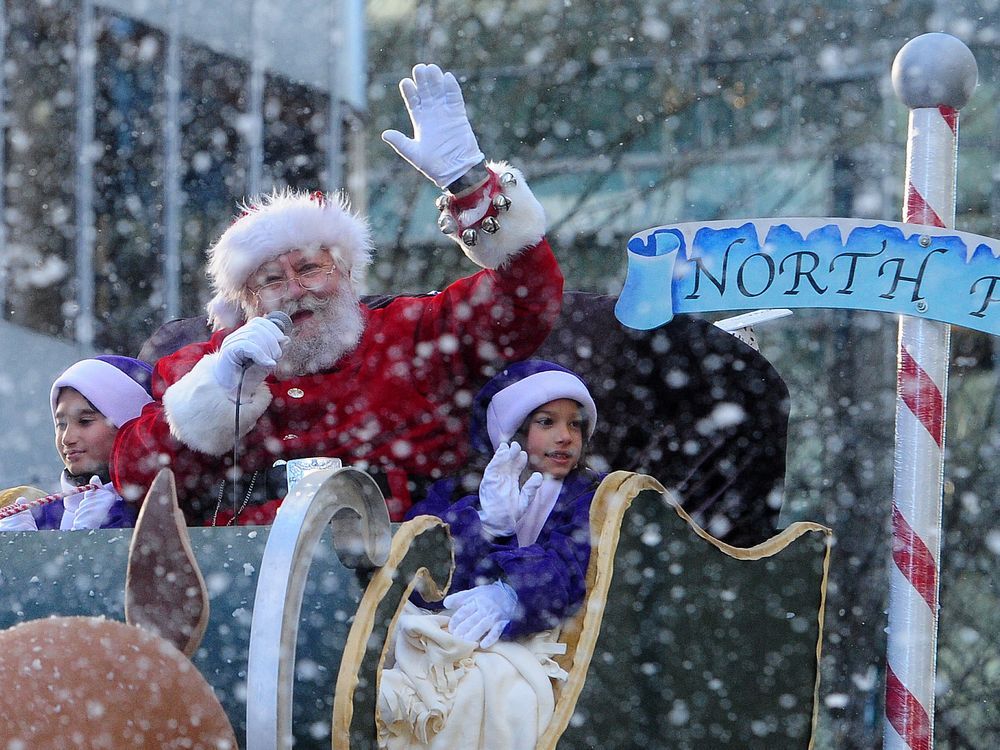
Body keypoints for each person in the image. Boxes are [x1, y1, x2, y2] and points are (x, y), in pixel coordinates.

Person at [110, 64, 563, 525]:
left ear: (346, 273)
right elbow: (134, 477)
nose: (295, 291)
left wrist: (470, 184)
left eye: (310, 268)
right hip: (246, 561)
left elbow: (525, 305)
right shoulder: (204, 363)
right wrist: (218, 392)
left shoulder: (410, 334)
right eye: (272, 281)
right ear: (247, 300)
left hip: (400, 556)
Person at [378, 360, 603, 749]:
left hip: (539, 635)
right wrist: (487, 525)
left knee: (491, 689)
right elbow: (417, 566)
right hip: (452, 623)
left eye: (575, 424)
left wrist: (512, 595)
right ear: (512, 431)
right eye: (547, 422)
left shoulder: (590, 496)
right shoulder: (461, 488)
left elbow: (571, 567)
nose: (565, 437)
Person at [0, 356, 153, 531]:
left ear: (127, 425)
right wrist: (16, 546)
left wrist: (107, 536)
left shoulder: (156, 514)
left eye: (85, 421)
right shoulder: (40, 518)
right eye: (61, 424)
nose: (67, 438)